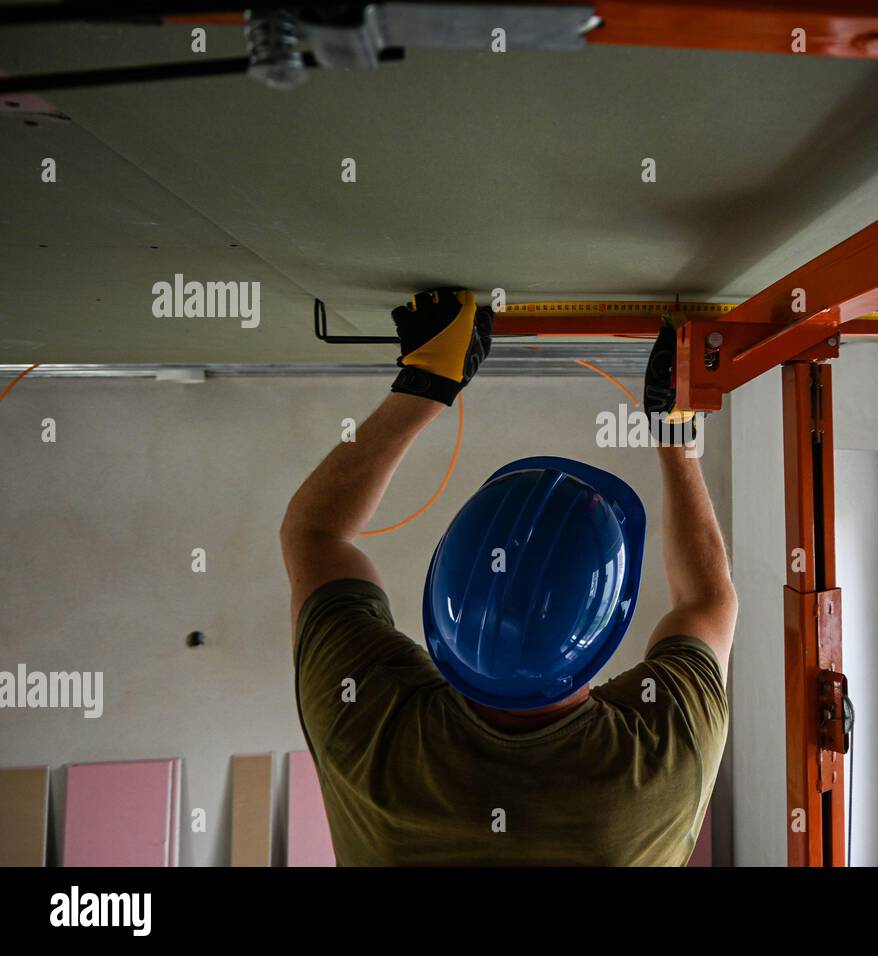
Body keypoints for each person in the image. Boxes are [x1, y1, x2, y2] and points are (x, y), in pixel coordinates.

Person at [280, 288, 736, 865]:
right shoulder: (362, 733)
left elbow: (708, 605)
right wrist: (424, 383)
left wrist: (676, 431)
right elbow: (313, 536)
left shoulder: (662, 770)